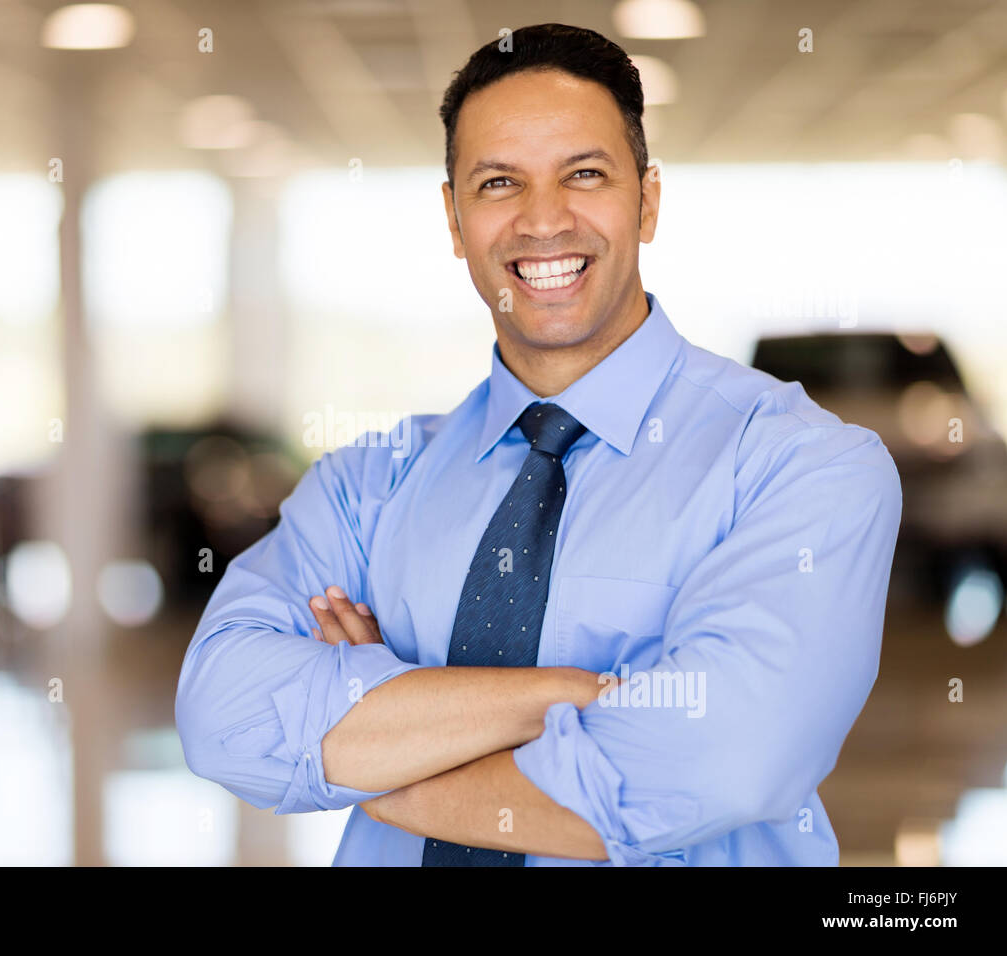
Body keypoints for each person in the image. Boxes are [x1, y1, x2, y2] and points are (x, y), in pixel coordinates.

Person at [175, 23, 902, 866]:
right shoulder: (365, 486)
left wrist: (383, 732)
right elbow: (224, 717)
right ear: (454, 218)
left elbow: (721, 760)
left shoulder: (798, 467)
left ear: (648, 200)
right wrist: (582, 697)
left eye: (585, 174)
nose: (544, 220)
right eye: (498, 182)